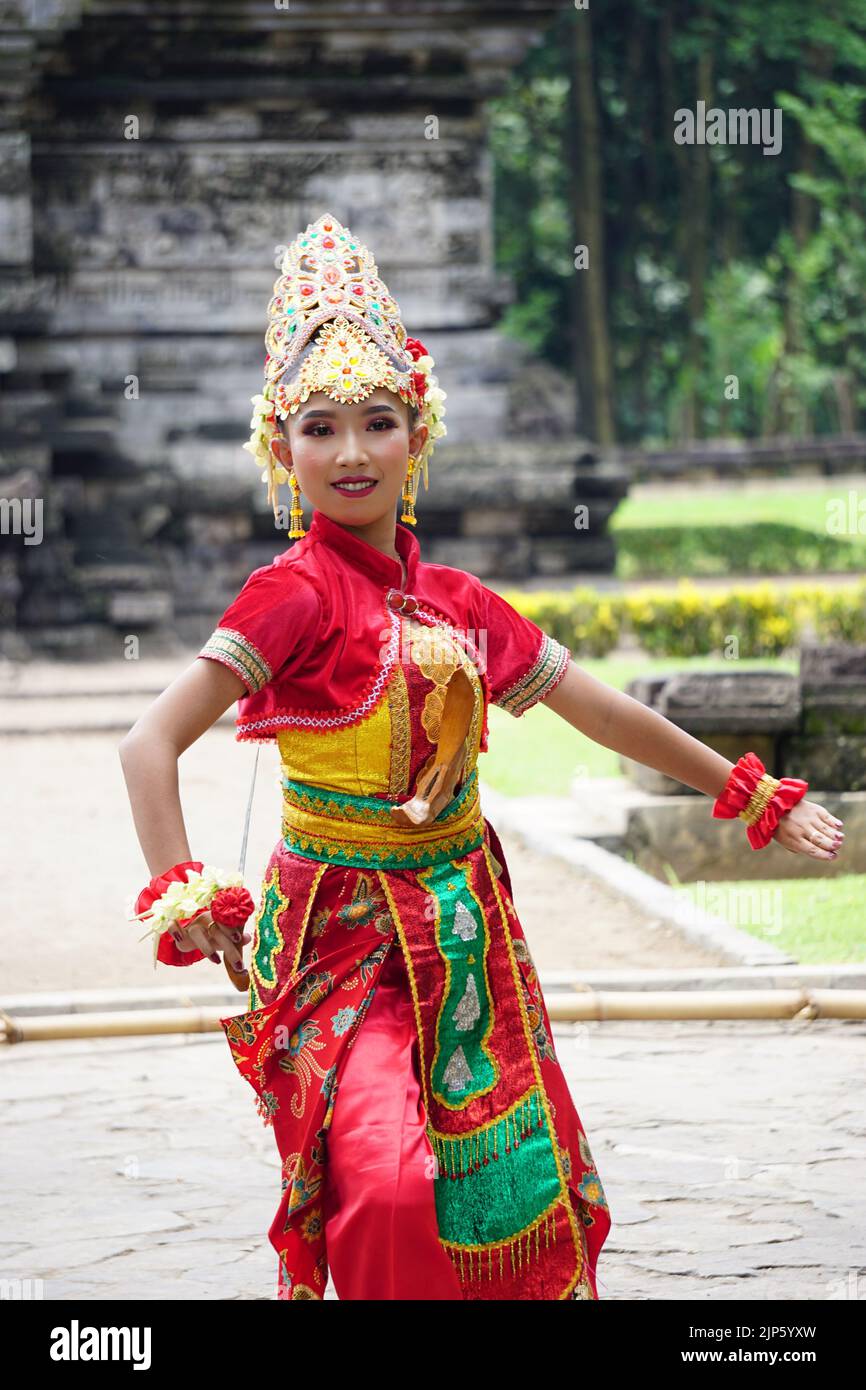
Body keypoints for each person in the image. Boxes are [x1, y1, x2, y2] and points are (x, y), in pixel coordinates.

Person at [119, 213, 845, 1302]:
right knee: (384, 1181)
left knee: (497, 1193)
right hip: (336, 943)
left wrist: (747, 792)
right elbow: (150, 741)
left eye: (378, 421)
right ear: (281, 449)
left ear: (418, 433)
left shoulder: (457, 603)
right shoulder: (291, 594)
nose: (352, 452)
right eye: (320, 428)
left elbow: (600, 713)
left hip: (465, 938)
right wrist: (191, 895)